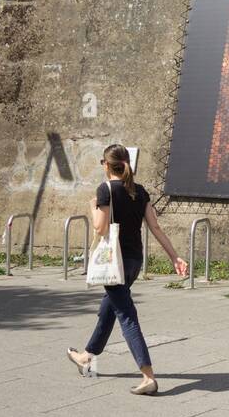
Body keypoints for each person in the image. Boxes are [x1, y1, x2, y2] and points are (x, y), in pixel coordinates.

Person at [68, 144, 187, 394]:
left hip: (114, 262)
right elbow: (155, 228)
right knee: (108, 308)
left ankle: (148, 377)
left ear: (105, 164)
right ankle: (87, 355)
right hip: (134, 261)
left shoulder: (105, 190)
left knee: (127, 316)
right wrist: (175, 256)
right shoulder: (140, 191)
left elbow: (100, 229)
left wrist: (92, 208)